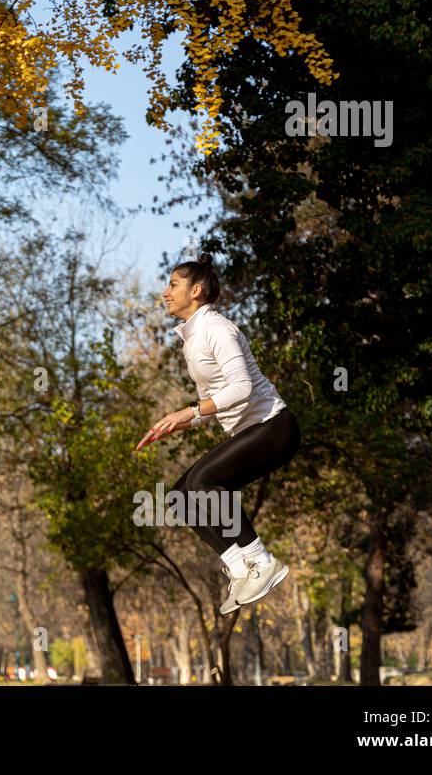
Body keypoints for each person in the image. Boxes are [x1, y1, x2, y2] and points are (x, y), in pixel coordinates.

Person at [136, 253, 301, 615]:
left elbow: (242, 388)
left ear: (196, 291)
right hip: (254, 430)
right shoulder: (193, 338)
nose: (165, 293)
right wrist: (180, 422)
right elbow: (221, 400)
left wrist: (191, 410)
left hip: (274, 427)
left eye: (173, 285)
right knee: (180, 497)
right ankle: (241, 569)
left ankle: (262, 560)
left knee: (205, 482)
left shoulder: (217, 329)